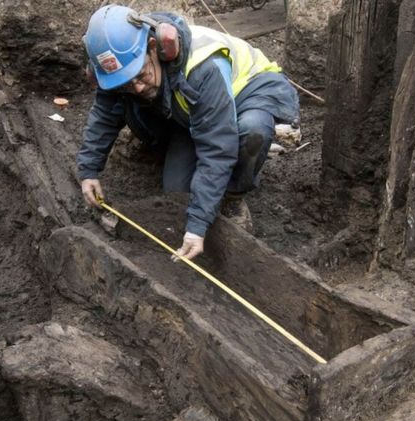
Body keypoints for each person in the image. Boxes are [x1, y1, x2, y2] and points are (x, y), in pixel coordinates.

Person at [77, 4, 299, 260]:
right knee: (177, 194)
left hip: (248, 94)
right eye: (126, 83)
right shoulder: (120, 67)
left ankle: (234, 195)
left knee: (252, 133)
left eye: (141, 75)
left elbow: (217, 148)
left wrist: (197, 226)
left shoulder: (203, 67)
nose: (137, 88)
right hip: (195, 112)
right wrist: (88, 170)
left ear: (154, 47)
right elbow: (105, 113)